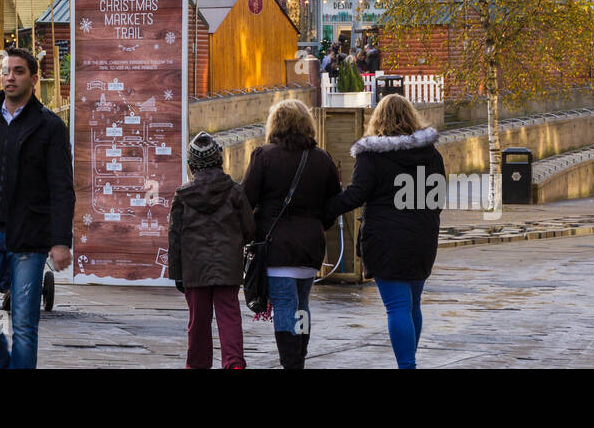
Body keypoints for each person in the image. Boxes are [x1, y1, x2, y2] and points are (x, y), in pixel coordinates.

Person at [0, 47, 74, 369]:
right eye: (6, 71)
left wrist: (61, 241)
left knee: (24, 323)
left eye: (19, 71)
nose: (10, 76)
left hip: (28, 238)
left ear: (33, 79)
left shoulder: (49, 127)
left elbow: (62, 188)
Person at [324, 93, 446, 369]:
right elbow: (438, 198)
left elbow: (356, 195)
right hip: (423, 237)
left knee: (396, 307)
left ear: (378, 119)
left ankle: (407, 365)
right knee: (413, 305)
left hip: (386, 238)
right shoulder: (431, 154)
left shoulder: (372, 156)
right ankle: (409, 362)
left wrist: (326, 208)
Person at [242, 99, 342, 369]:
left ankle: (292, 362)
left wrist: (251, 232)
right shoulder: (322, 159)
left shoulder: (264, 156)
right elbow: (335, 202)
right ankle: (300, 354)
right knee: (302, 304)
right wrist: (321, 225)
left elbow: (245, 200)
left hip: (277, 247)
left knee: (286, 304)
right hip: (310, 247)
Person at [168, 132, 255, 370]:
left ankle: (197, 364)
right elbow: (249, 229)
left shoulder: (183, 196)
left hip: (194, 269)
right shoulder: (235, 192)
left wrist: (176, 273)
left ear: (191, 165)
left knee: (198, 321)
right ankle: (234, 362)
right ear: (220, 160)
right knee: (229, 316)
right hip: (228, 266)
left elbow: (175, 238)